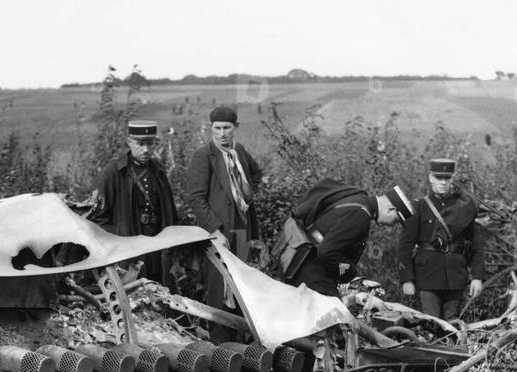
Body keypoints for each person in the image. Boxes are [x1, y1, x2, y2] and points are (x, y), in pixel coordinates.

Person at [185, 106, 264, 341]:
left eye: (226, 128)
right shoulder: (204, 156)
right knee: (219, 290)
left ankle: (240, 345)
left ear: (235, 128)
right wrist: (214, 230)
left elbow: (256, 174)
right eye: (217, 128)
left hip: (241, 230)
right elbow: (195, 198)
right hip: (220, 234)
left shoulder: (238, 150)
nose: (221, 133)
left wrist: (244, 195)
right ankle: (221, 349)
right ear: (211, 129)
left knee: (241, 288)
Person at [280, 179, 415, 297]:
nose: (392, 225)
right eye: (396, 220)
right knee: (334, 319)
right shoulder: (360, 215)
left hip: (301, 261)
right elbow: (327, 252)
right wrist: (348, 271)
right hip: (310, 270)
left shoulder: (358, 198)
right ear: (390, 209)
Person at [91, 120, 178, 285]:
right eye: (140, 144)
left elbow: (169, 212)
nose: (145, 150)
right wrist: (119, 238)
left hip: (156, 243)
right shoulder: (113, 173)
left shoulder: (159, 171)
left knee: (158, 287)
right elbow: (99, 218)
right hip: (128, 247)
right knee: (133, 291)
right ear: (129, 142)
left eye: (150, 144)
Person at [398, 159, 486, 320]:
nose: (443, 182)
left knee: (453, 324)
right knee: (432, 323)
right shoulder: (418, 206)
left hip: (455, 276)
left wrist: (477, 277)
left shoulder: (463, 208)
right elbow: (405, 246)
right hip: (427, 276)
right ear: (431, 178)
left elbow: (476, 245)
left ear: (453, 179)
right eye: (439, 178)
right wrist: (407, 280)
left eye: (447, 178)